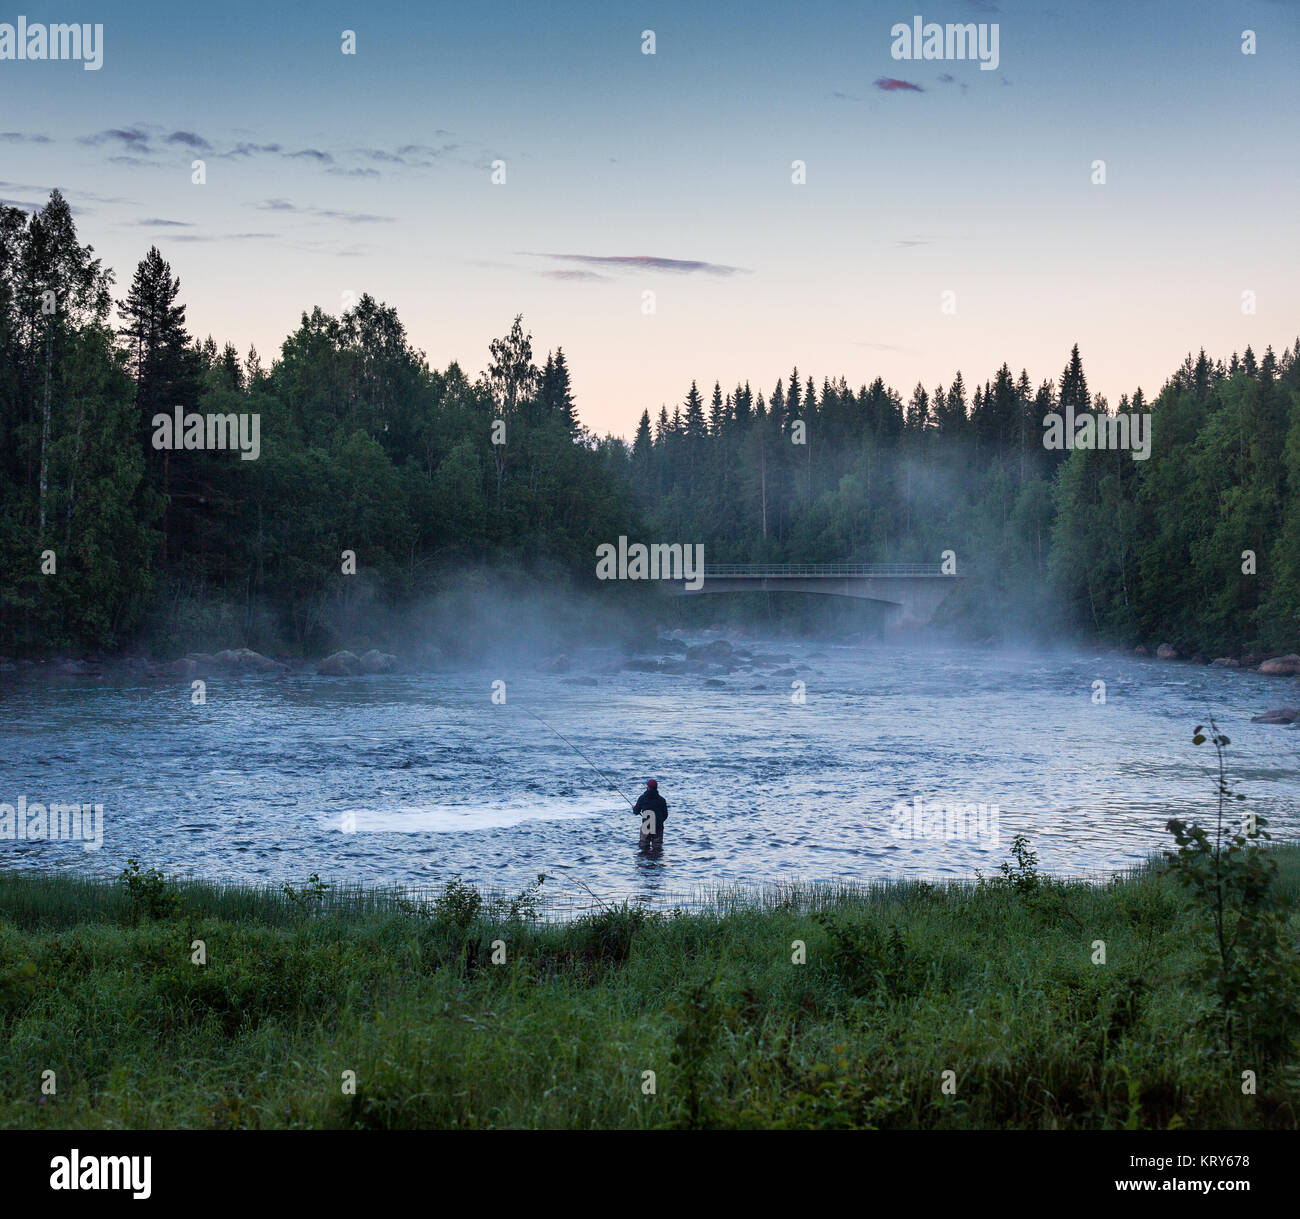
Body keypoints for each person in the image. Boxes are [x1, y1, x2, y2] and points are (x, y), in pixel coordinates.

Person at [633, 779, 668, 852]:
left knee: (643, 847)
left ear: (648, 787)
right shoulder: (662, 800)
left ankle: (645, 861)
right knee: (657, 848)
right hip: (658, 826)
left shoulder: (642, 798)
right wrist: (658, 821)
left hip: (646, 825)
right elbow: (665, 815)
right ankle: (656, 862)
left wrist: (634, 808)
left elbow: (636, 812)